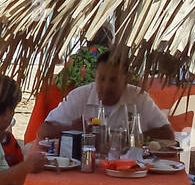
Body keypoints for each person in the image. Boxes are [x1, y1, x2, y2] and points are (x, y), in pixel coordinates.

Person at [37, 50, 175, 143]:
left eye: (113, 80)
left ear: (126, 79)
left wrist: (133, 137)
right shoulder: (80, 96)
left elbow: (168, 134)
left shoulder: (139, 98)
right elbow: (44, 130)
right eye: (101, 79)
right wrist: (72, 130)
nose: (106, 86)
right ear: (94, 76)